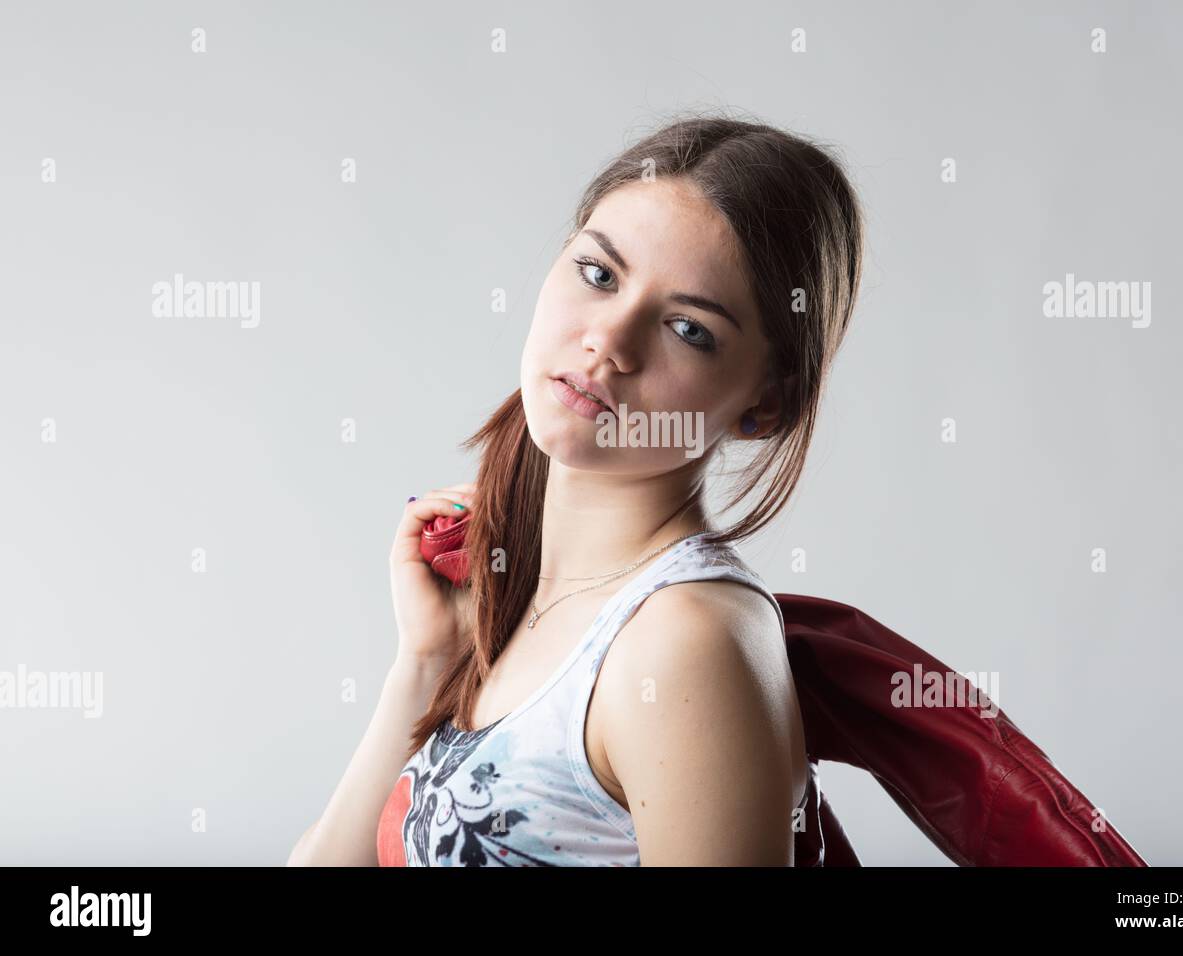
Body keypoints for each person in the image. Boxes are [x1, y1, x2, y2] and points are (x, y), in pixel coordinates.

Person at [287, 110, 865, 866]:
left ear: (766, 405)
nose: (609, 342)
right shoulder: (526, 605)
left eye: (688, 328)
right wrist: (427, 663)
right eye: (599, 274)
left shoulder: (685, 644)